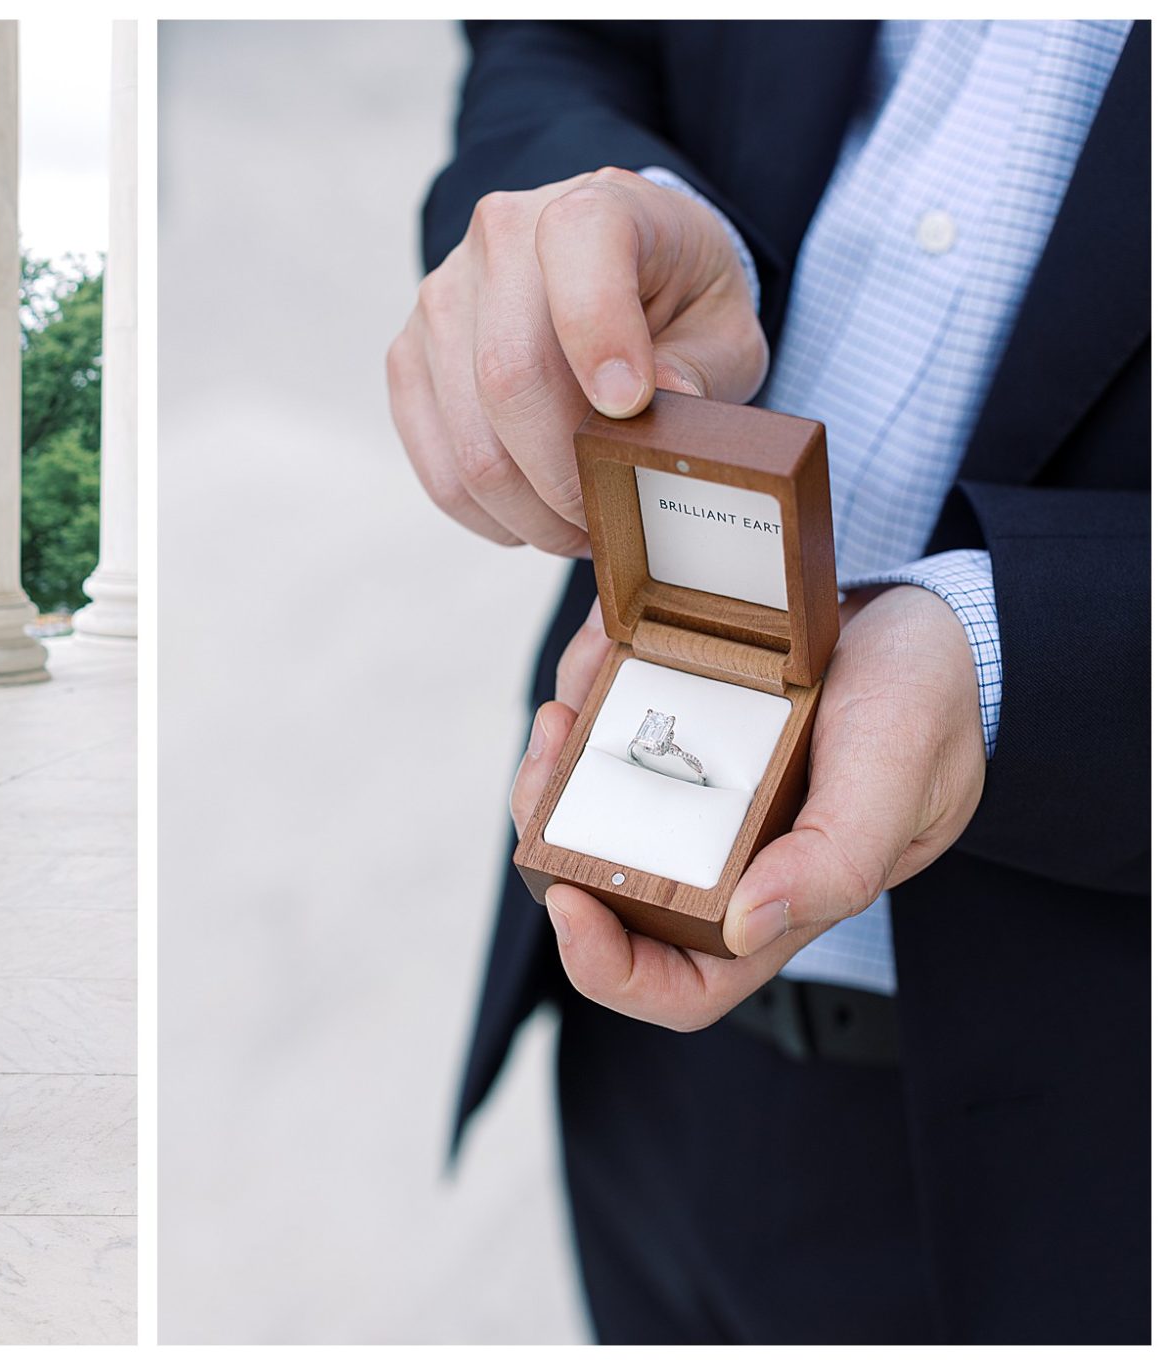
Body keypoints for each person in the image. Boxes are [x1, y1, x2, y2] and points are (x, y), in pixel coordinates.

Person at [388, 20, 1146, 1344]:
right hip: (640, 1069)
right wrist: (610, 202)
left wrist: (1000, 646)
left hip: (1098, 1150)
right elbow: (560, 43)